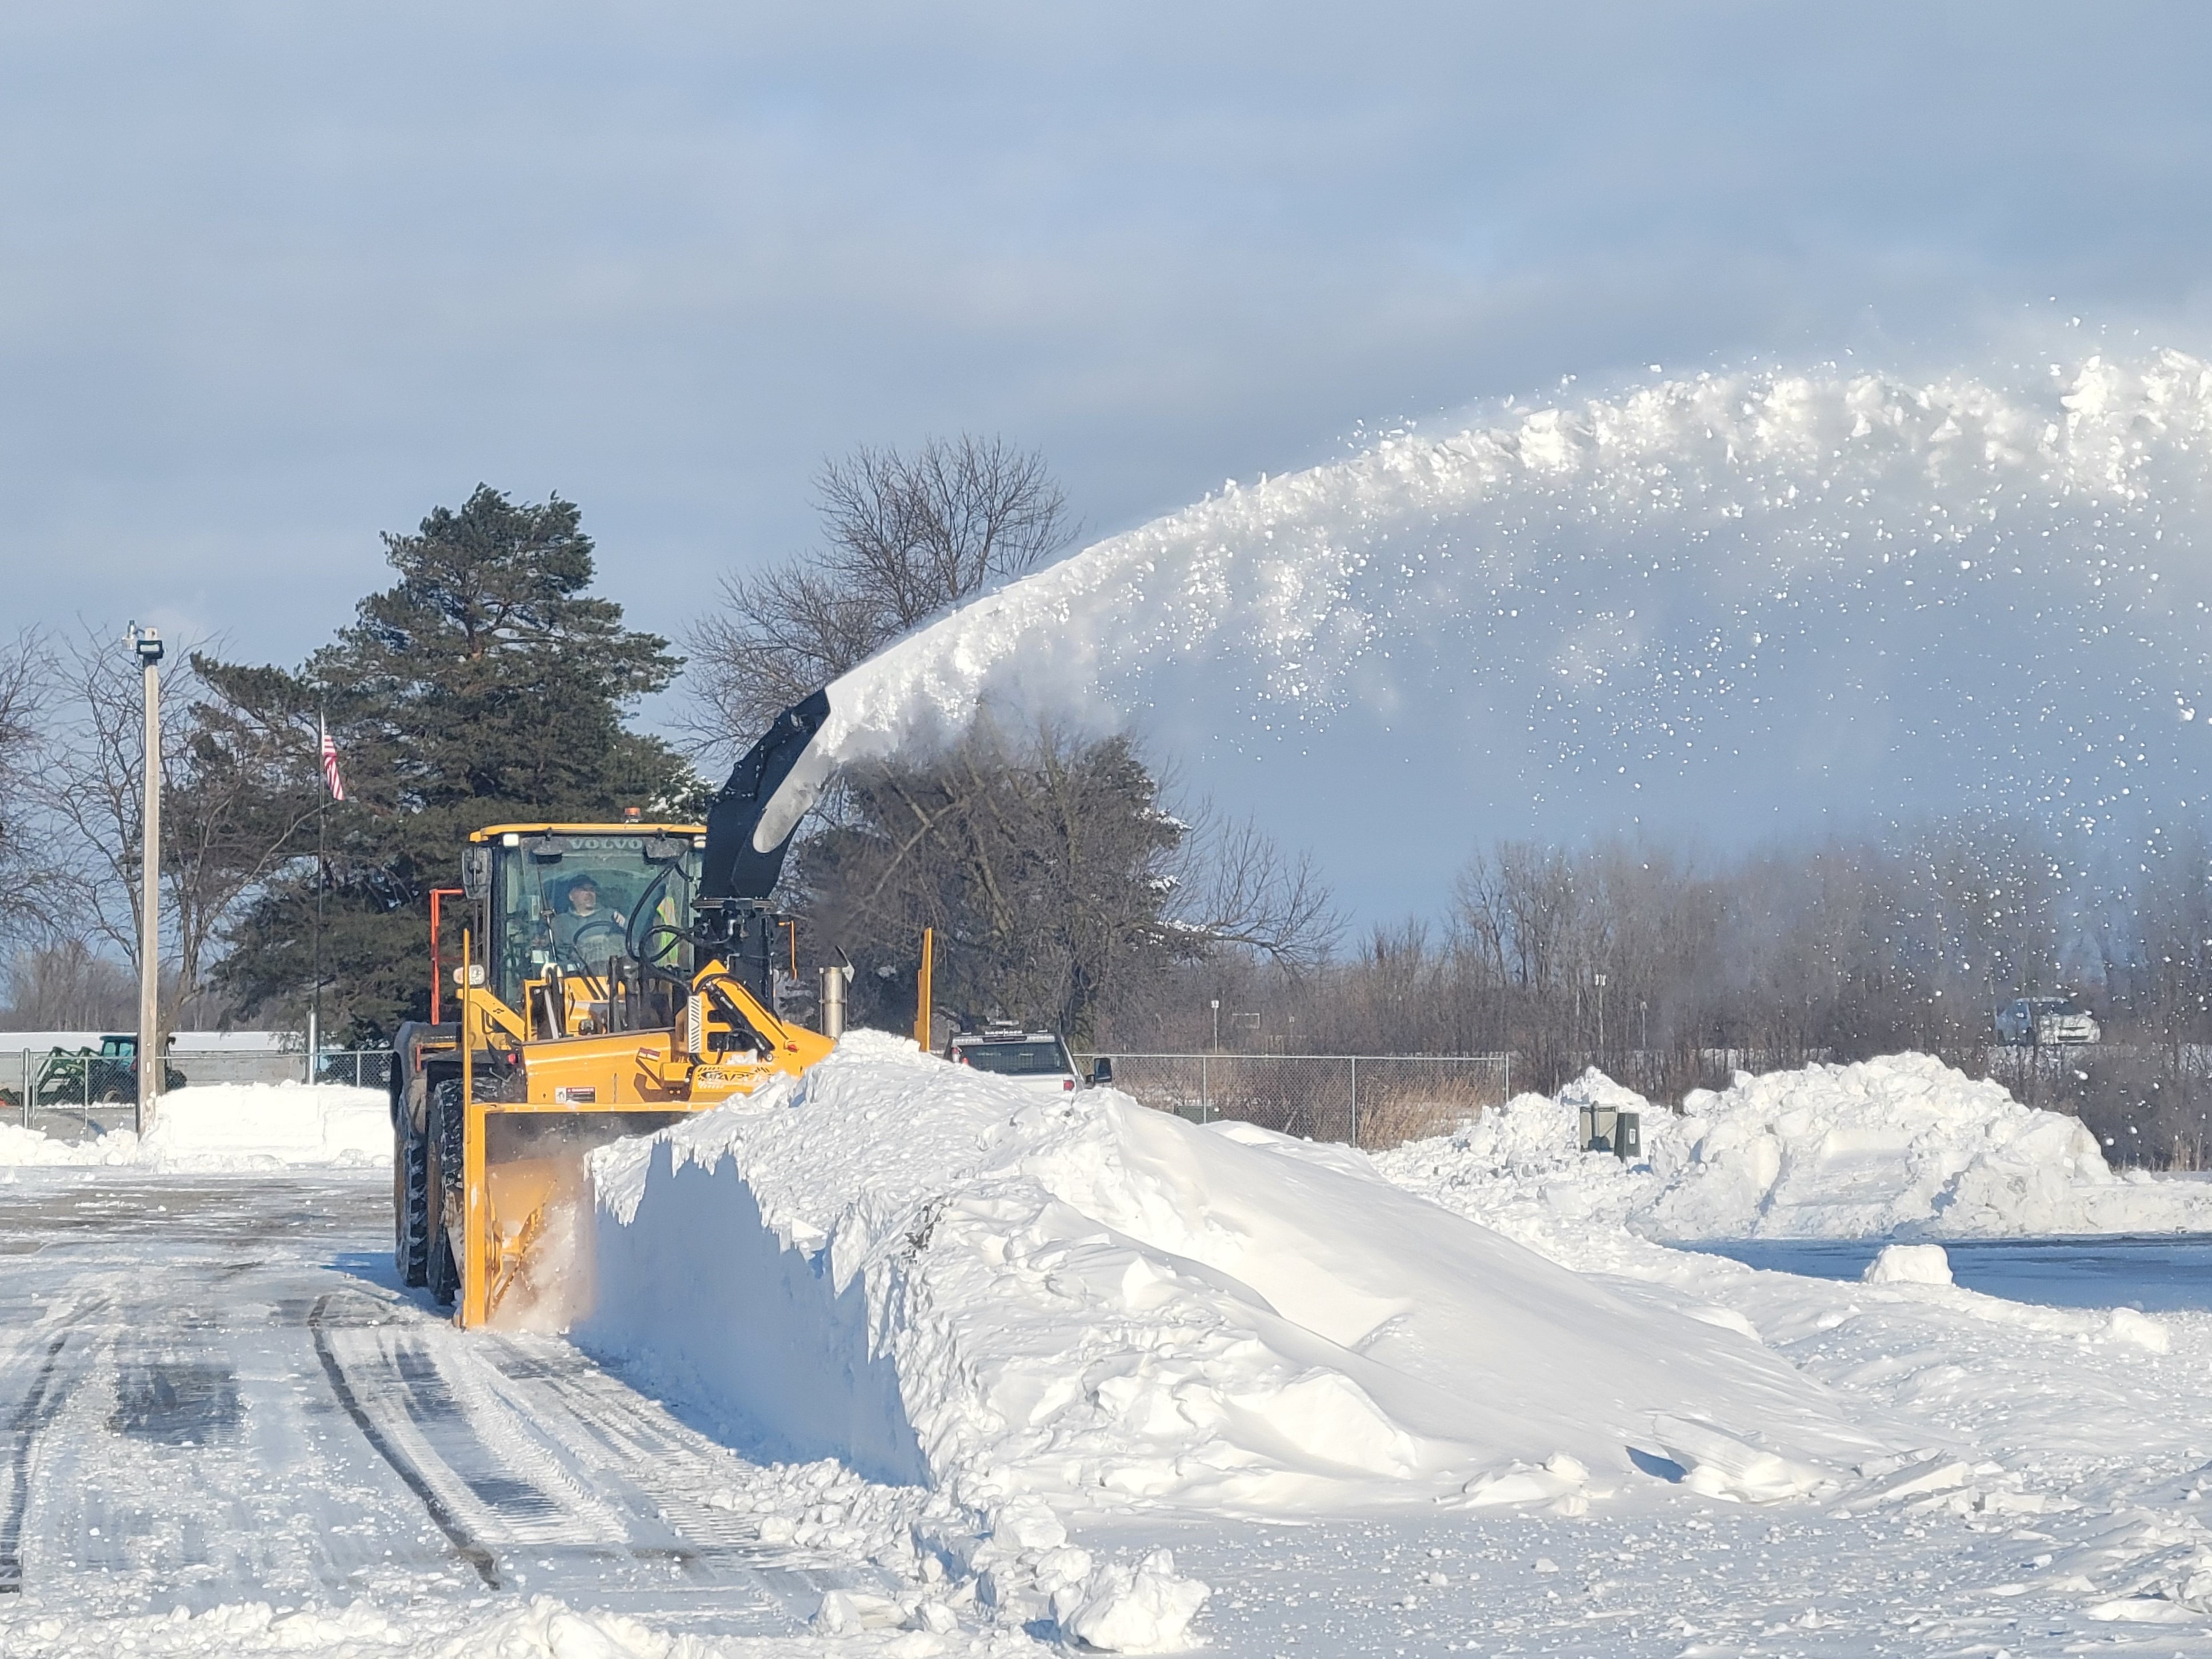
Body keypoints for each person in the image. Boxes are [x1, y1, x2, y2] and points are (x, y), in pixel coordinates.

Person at [551, 875, 628, 967]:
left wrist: (624, 923)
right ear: (571, 896)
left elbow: (626, 943)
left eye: (592, 890)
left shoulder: (611, 916)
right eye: (583, 890)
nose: (589, 893)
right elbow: (557, 954)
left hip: (611, 974)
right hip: (576, 977)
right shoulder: (560, 922)